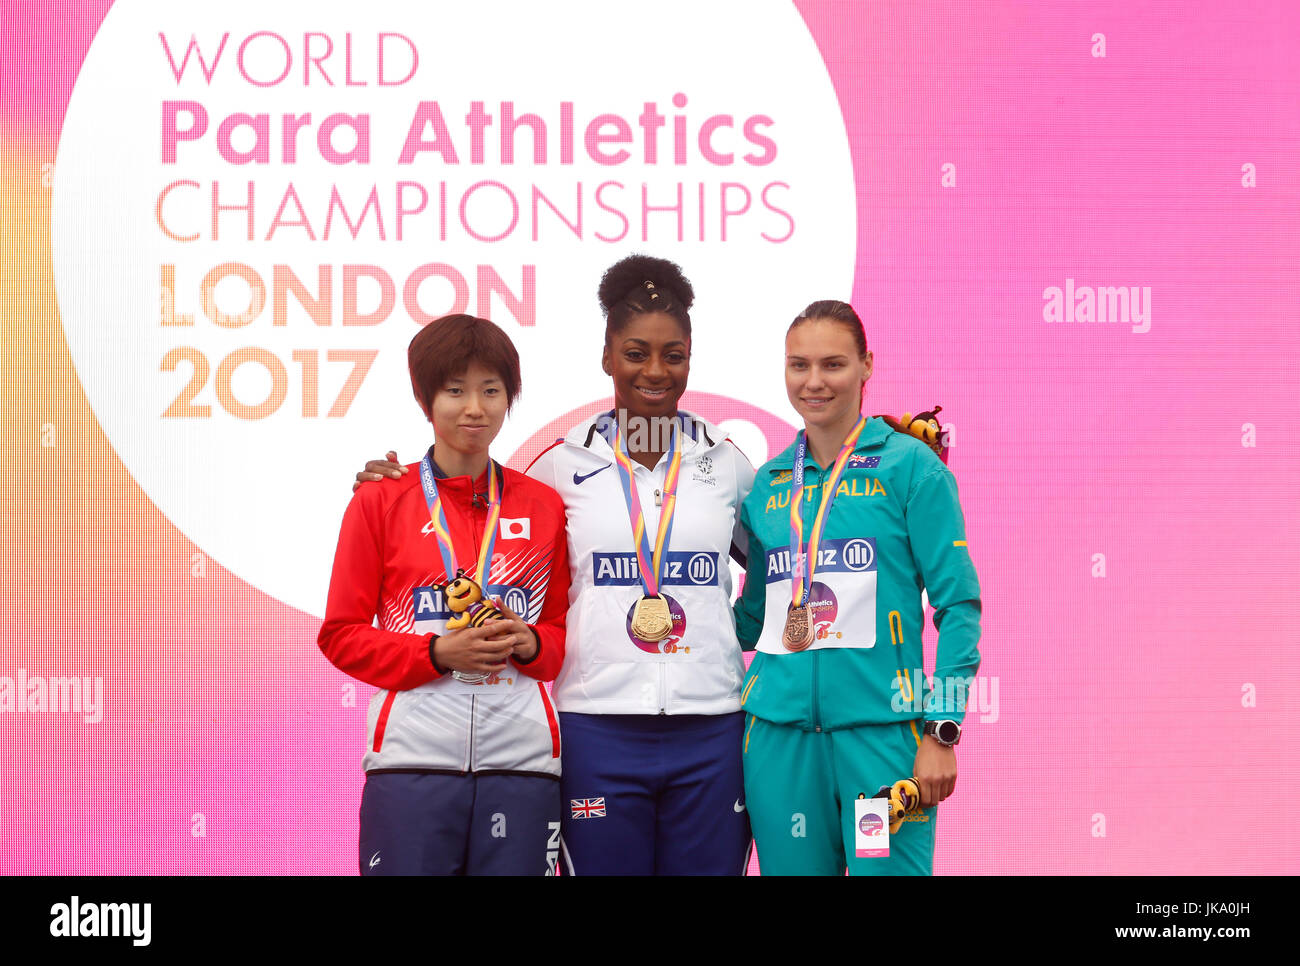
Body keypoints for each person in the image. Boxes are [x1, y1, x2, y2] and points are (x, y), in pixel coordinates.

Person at [356, 256, 755, 875]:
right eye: (635, 352)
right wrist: (398, 482)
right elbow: (471, 516)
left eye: (673, 355)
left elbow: (794, 565)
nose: (655, 371)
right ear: (606, 356)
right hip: (595, 724)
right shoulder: (557, 470)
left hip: (713, 725)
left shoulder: (727, 465)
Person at [733, 299, 982, 876]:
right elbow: (751, 620)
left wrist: (942, 731)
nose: (814, 382)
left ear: (867, 365)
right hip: (779, 744)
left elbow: (958, 606)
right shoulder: (768, 485)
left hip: (882, 746)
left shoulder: (911, 469)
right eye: (799, 365)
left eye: (833, 364)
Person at [320, 313, 570, 876]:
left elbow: (559, 641)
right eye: (455, 391)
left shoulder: (542, 505)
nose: (474, 408)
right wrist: (435, 656)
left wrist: (529, 641)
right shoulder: (380, 501)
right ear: (425, 398)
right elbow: (340, 635)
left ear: (510, 398)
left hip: (524, 764)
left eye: (491, 390)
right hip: (411, 763)